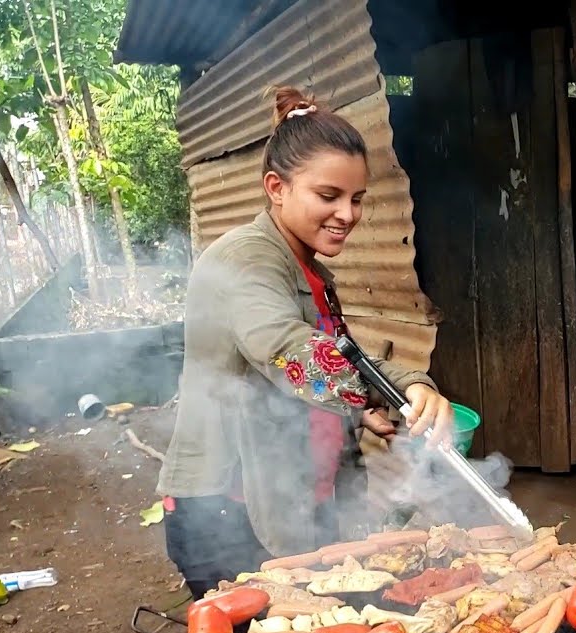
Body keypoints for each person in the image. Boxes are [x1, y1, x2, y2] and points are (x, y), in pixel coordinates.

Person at [159, 86, 455, 600]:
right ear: (276, 188)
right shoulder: (246, 260)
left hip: (301, 498)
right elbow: (297, 356)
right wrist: (380, 395)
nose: (349, 214)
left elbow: (343, 352)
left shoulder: (310, 271)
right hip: (228, 510)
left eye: (357, 199)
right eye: (329, 196)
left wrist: (411, 387)